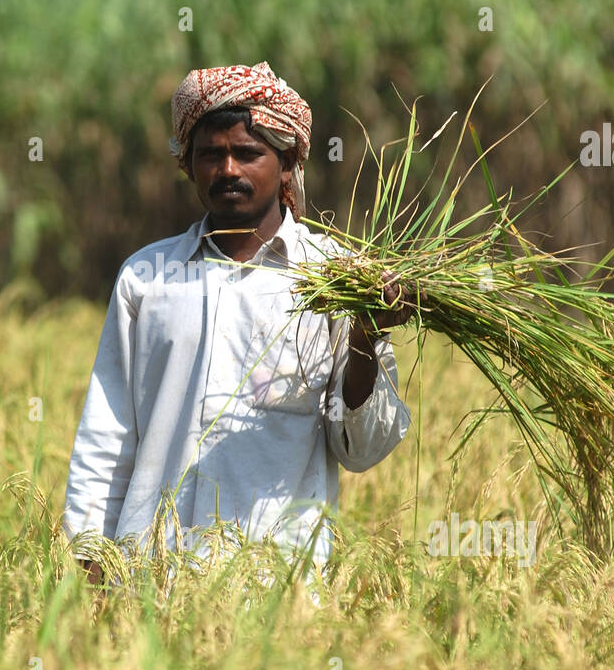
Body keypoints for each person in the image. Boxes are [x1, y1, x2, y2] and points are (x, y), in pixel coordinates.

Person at [63, 61, 419, 585]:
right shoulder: (146, 278)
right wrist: (90, 567)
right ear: (188, 164)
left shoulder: (337, 278)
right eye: (211, 155)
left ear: (287, 163)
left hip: (278, 587)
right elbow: (108, 432)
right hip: (150, 582)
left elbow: (361, 449)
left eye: (248, 153)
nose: (228, 169)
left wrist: (367, 336)